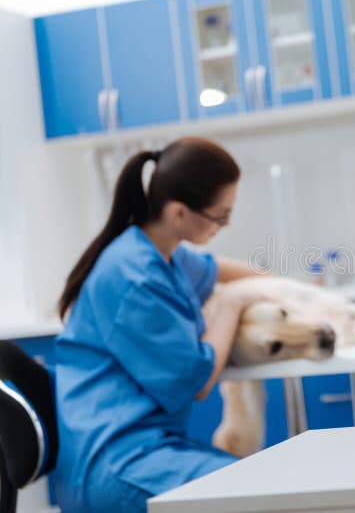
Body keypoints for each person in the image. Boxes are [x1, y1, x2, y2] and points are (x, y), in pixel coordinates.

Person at [53, 137, 268, 512]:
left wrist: (289, 289)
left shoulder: (161, 254)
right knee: (261, 492)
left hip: (150, 449)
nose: (226, 224)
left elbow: (219, 269)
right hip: (117, 466)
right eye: (220, 216)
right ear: (179, 213)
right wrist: (231, 304)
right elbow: (198, 381)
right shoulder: (134, 278)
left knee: (262, 481)